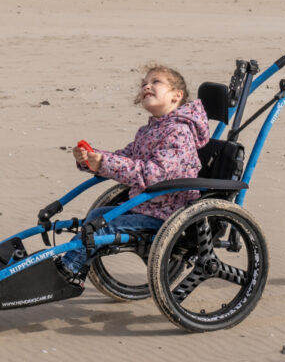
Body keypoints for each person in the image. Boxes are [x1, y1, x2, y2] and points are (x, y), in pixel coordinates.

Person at [55, 63, 210, 286]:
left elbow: (155, 176)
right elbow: (125, 157)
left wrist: (105, 164)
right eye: (144, 83)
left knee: (101, 226)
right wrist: (92, 159)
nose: (147, 85)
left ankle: (67, 270)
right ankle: (78, 265)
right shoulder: (149, 130)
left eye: (155, 82)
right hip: (146, 206)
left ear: (177, 96)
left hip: (167, 213)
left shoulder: (179, 132)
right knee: (98, 215)